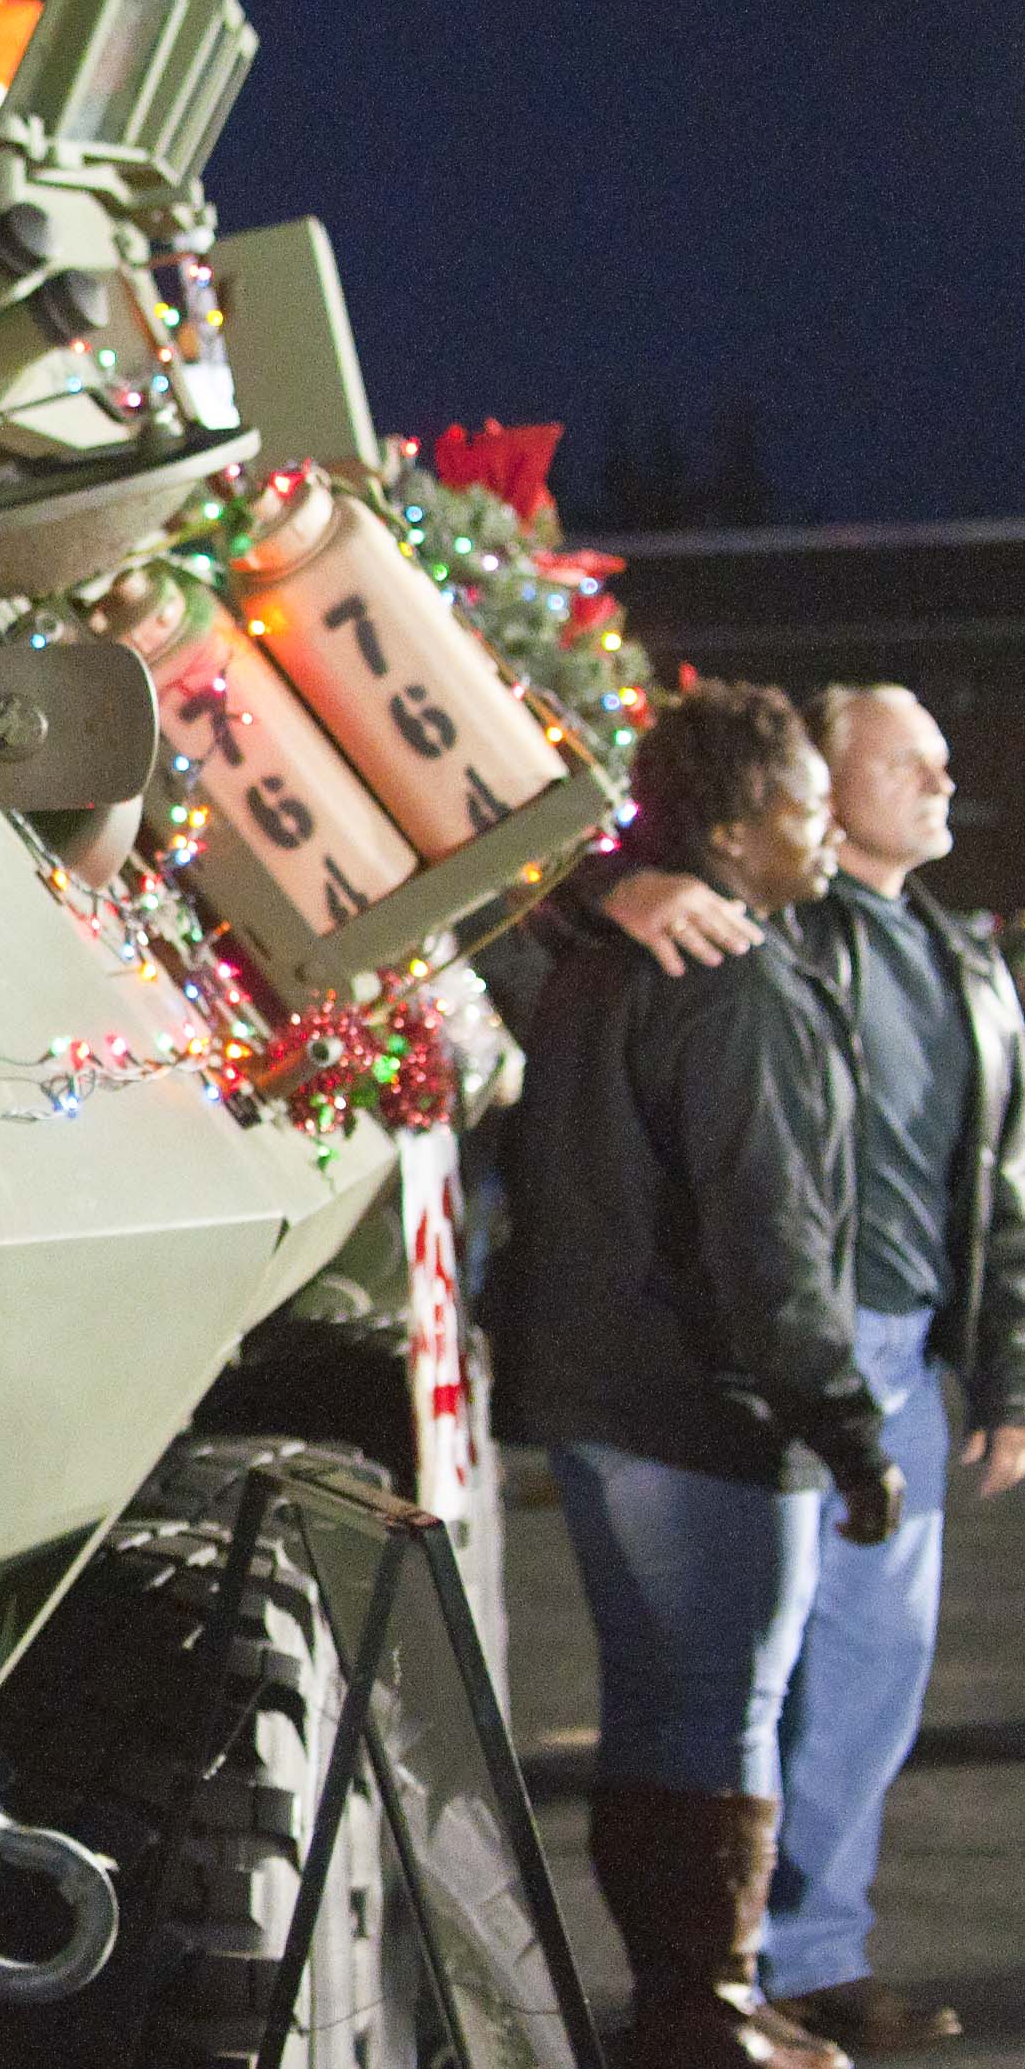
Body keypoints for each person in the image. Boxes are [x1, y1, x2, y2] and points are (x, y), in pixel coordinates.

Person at [590, 684, 1025, 2056]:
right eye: (907, 758)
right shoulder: (758, 928)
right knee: (746, 1678)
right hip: (791, 1353)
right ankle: (734, 1973)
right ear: (820, 787)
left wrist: (1002, 1373)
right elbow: (565, 901)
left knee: (866, 1677)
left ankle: (813, 1954)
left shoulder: (966, 961)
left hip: (894, 1351)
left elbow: (998, 1189)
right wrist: (627, 883)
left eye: (942, 758)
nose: (941, 777)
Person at [494, 681, 900, 2069]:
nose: (823, 828)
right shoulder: (730, 989)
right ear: (735, 824)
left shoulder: (611, 964)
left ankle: (693, 1991)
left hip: (607, 1394)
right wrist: (844, 1425)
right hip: (700, 1408)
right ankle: (699, 1998)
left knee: (658, 1698)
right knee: (713, 1700)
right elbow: (767, 1235)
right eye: (800, 802)